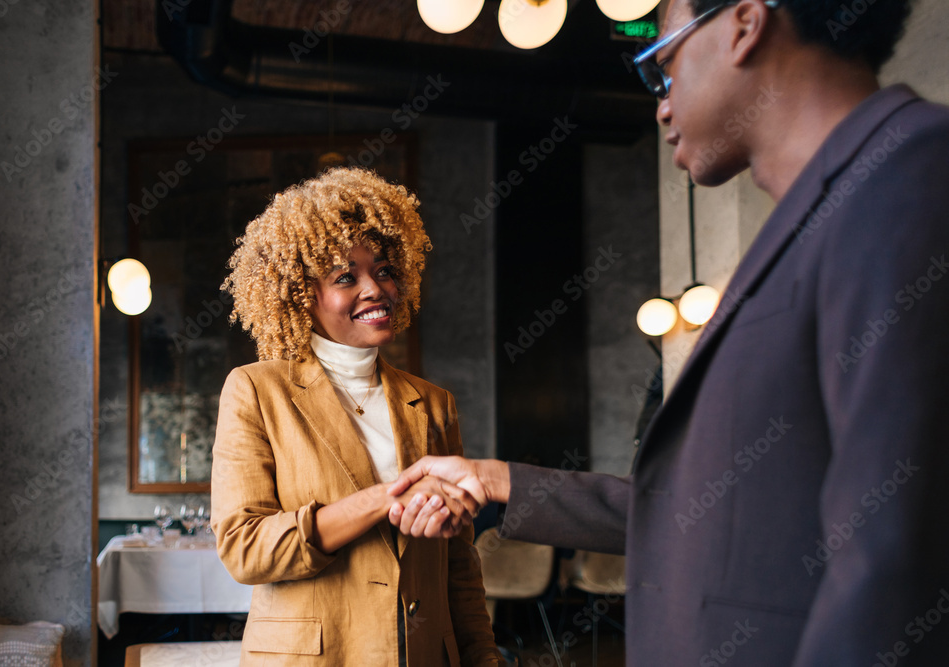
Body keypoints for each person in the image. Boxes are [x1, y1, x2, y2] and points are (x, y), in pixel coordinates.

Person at [389, 0, 949, 665]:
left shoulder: (910, 178)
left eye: (662, 66)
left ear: (743, 25)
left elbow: (896, 559)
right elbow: (694, 507)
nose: (660, 104)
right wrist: (492, 476)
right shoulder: (813, 220)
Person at [211, 167, 501, 666]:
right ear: (303, 295)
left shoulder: (433, 404)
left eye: (384, 270)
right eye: (346, 277)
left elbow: (458, 565)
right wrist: (382, 499)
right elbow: (246, 548)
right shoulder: (257, 390)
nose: (375, 288)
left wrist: (484, 659)